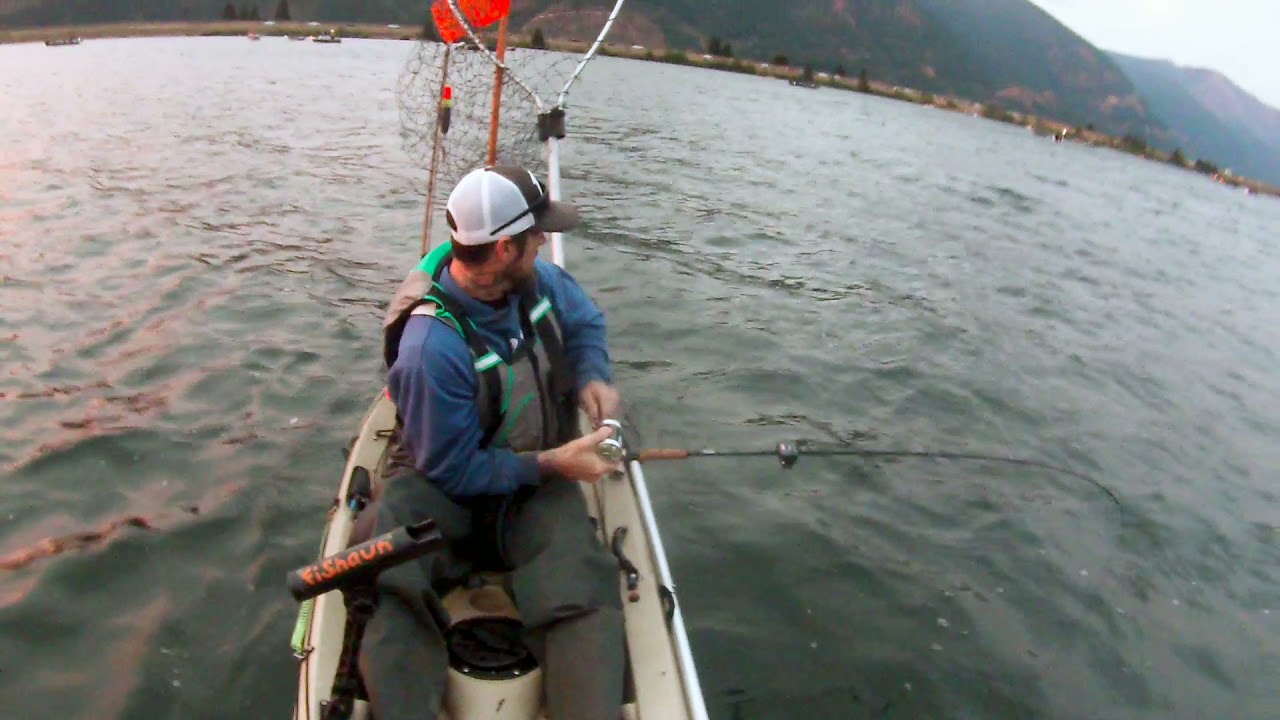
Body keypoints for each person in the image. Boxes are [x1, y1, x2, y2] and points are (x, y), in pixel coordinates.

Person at [357, 165, 626, 720]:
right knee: (390, 566)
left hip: (530, 495)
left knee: (582, 574)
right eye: (536, 236)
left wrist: (594, 377)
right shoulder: (431, 349)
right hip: (443, 494)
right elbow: (454, 471)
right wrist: (556, 461)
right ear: (505, 248)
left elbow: (585, 325)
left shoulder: (540, 283)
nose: (546, 242)